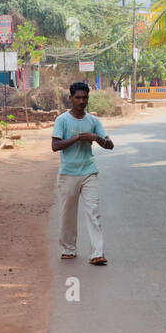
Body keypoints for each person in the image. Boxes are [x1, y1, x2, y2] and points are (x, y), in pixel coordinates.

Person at [51, 82, 114, 266]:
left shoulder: (93, 121)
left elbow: (109, 144)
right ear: (70, 98)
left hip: (89, 172)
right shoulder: (62, 120)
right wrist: (77, 138)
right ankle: (68, 248)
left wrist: (96, 138)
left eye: (85, 97)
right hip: (68, 174)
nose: (81, 101)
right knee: (68, 214)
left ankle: (97, 252)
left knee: (93, 212)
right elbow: (55, 146)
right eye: (78, 97)